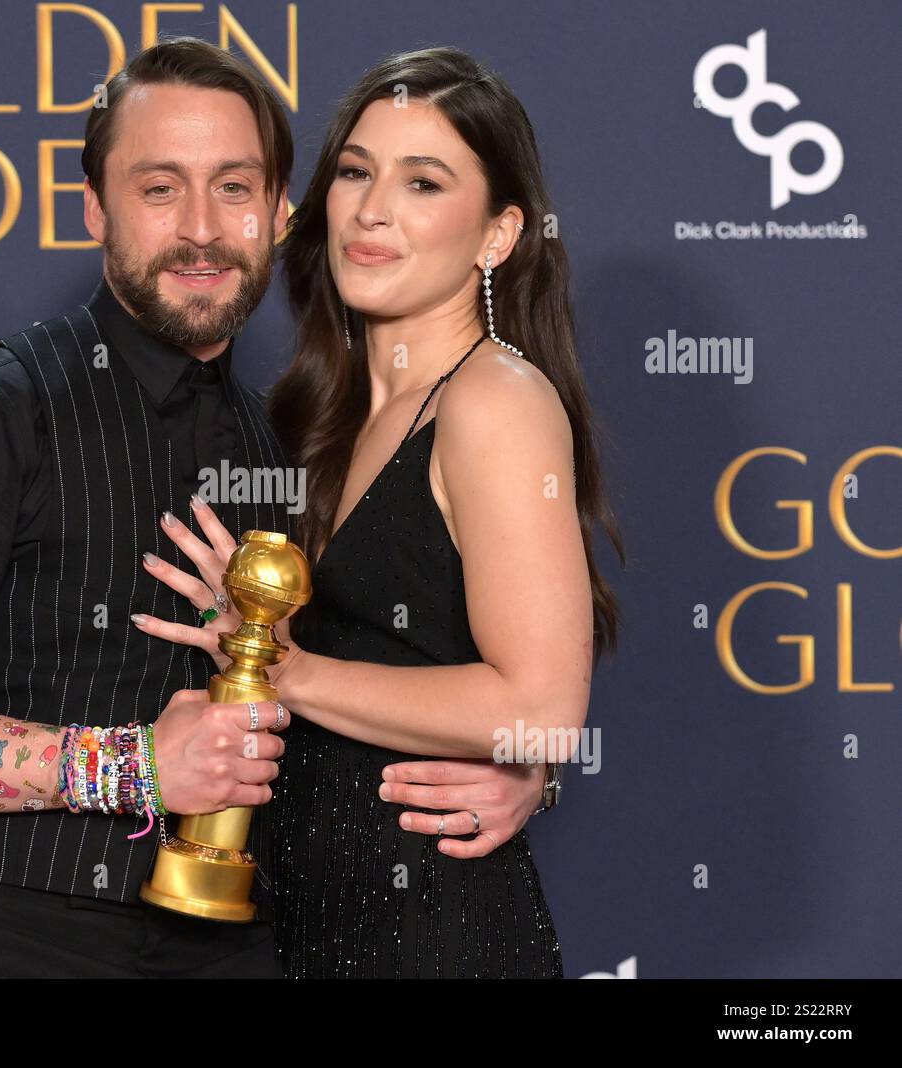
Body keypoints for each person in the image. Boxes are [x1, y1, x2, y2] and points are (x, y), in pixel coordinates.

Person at [0, 38, 551, 979]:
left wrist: (517, 769)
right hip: (4, 936)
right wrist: (132, 767)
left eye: (234, 188)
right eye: (161, 189)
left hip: (244, 942)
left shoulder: (288, 441)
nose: (201, 228)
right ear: (95, 208)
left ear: (279, 214)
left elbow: (345, 679)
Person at [132, 46, 624, 977]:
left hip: (430, 931)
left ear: (498, 234)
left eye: (424, 182)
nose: (372, 208)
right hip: (302, 921)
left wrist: (282, 667)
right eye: (356, 171)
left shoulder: (493, 400)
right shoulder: (316, 409)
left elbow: (545, 707)